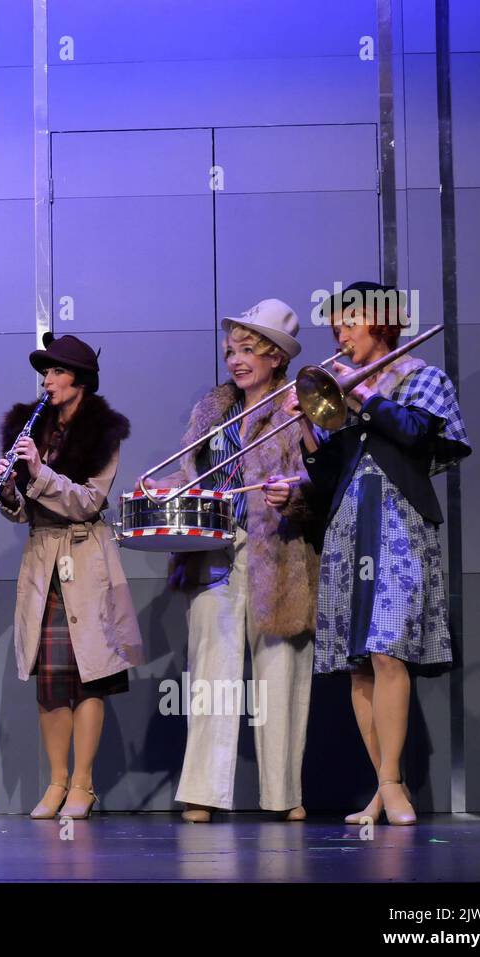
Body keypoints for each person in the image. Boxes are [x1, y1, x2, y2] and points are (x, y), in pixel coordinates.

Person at [284, 281, 470, 826]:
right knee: (357, 663)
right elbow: (328, 472)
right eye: (336, 325)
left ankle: (391, 783)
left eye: (350, 322)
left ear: (382, 323)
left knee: (389, 649)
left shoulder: (421, 377)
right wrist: (308, 426)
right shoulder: (343, 393)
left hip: (399, 522)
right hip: (349, 528)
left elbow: (416, 434)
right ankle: (384, 785)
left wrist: (361, 395)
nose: (340, 334)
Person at [150, 299, 319, 823]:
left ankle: (284, 794)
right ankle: (202, 791)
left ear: (275, 357)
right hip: (214, 553)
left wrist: (293, 495)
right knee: (211, 677)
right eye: (231, 350)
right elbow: (192, 477)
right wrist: (164, 490)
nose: (237, 360)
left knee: (280, 678)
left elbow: (325, 482)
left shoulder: (299, 407)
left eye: (249, 350)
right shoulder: (212, 410)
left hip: (279, 555)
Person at [0, 333, 144, 820]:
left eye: (57, 372)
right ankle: (57, 781)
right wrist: (10, 491)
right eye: (45, 373)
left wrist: (37, 474)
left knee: (89, 677)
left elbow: (87, 501)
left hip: (86, 558)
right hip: (43, 559)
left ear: (80, 380)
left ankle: (84, 784)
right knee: (51, 679)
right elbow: (22, 514)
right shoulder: (29, 426)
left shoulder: (104, 432)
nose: (48, 380)